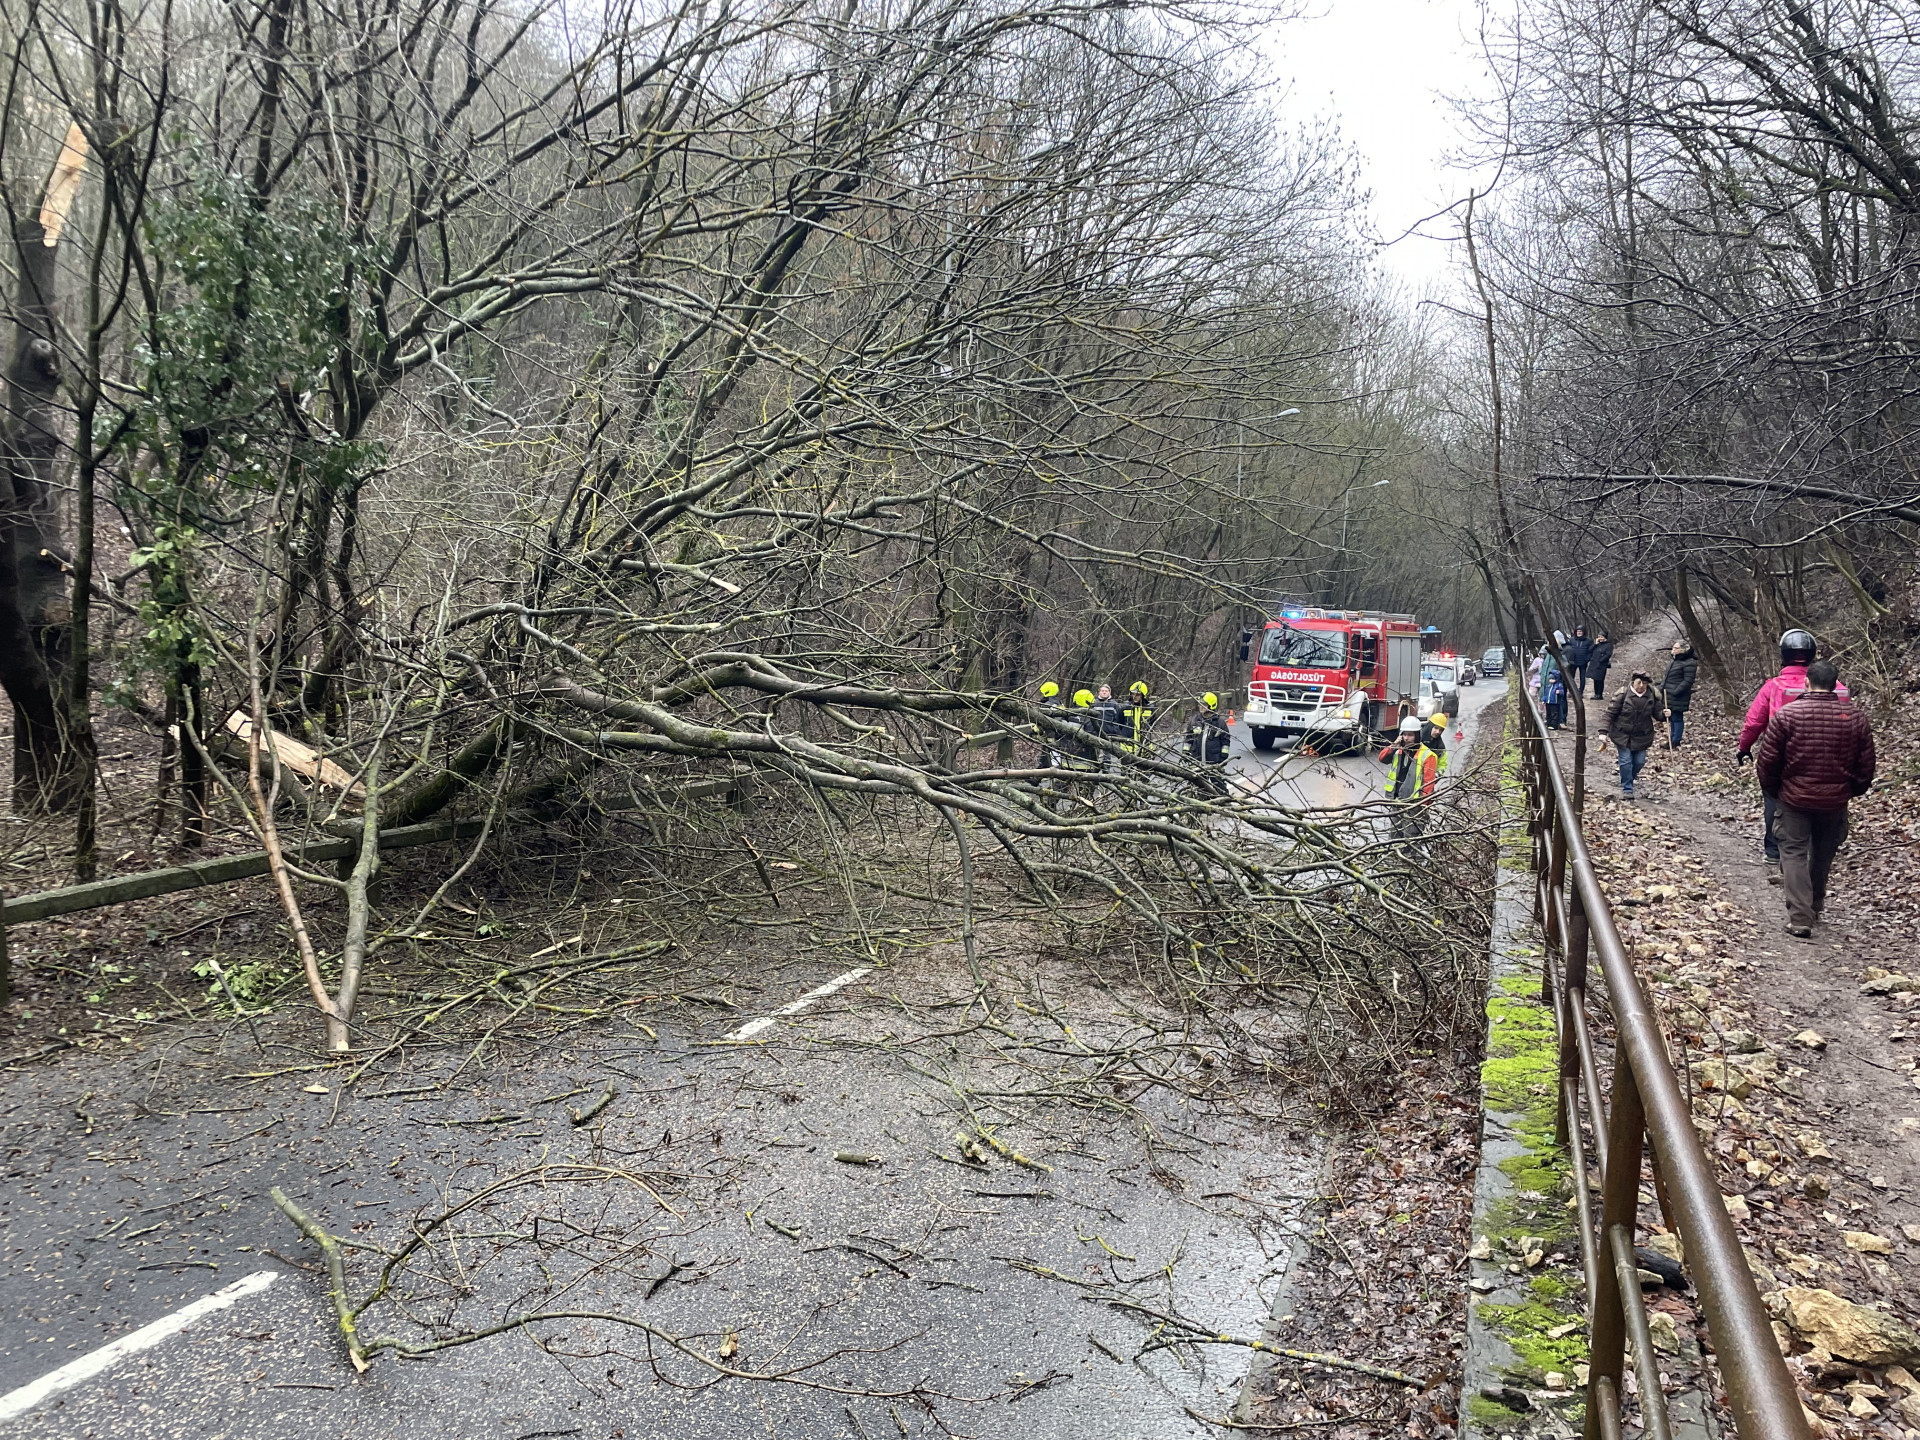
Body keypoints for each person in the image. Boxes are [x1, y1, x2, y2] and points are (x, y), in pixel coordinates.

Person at [1753, 660, 1874, 938]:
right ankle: (1815, 905)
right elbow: (1866, 765)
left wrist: (1775, 790)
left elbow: (1767, 762)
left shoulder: (1787, 715)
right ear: (1835, 685)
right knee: (1823, 853)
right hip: (1834, 801)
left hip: (1793, 798)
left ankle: (1800, 917)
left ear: (1807, 682)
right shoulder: (1855, 718)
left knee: (1793, 853)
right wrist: (1851, 790)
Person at [1736, 629, 1850, 867]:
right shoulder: (1834, 686)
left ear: (1783, 654)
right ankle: (1818, 848)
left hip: (1784, 757)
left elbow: (1754, 722)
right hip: (1829, 757)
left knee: (1773, 797)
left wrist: (1744, 747)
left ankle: (1773, 850)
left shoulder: (1773, 686)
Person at [1596, 670, 1665, 799]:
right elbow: (1609, 714)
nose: (1641, 686)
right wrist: (1603, 732)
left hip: (1642, 735)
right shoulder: (1622, 694)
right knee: (1625, 761)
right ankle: (1627, 788)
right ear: (1633, 682)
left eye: (1644, 683)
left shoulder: (1652, 696)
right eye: (1639, 682)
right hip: (1622, 734)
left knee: (1639, 761)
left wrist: (1664, 714)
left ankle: (1629, 777)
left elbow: (1658, 714)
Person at [1378, 714, 1441, 837]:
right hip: (1397, 802)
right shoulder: (1398, 750)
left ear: (1417, 735)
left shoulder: (1428, 755)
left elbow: (1428, 785)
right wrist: (1393, 746)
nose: (1406, 738)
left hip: (1414, 806)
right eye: (1404, 734)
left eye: (1410, 735)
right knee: (1394, 837)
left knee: (1411, 839)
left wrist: (1423, 806)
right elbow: (1382, 758)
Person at [1184, 692, 1231, 797]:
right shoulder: (1194, 721)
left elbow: (1225, 742)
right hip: (1197, 762)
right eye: (1200, 704)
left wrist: (1222, 758)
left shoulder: (1220, 723)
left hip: (1214, 762)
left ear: (1211, 706)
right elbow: (1188, 738)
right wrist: (1185, 753)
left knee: (1219, 788)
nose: (1201, 706)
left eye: (1204, 704)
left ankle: (1224, 802)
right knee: (1199, 789)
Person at [1661, 641, 1697, 748]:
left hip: (1679, 695)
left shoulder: (1689, 663)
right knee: (1672, 717)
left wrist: (1676, 691)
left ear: (1683, 650)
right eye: (1673, 647)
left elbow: (1688, 681)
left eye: (1676, 648)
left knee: (1677, 717)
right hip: (1669, 694)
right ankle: (1672, 739)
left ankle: (1675, 740)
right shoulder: (1674, 661)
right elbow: (1668, 678)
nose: (1673, 650)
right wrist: (1661, 687)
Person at [1122, 681, 1156, 756]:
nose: (1134, 696)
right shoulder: (1125, 707)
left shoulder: (1149, 708)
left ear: (1143, 695)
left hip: (1145, 746)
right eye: (1133, 694)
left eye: (1137, 694)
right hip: (1128, 747)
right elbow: (1119, 722)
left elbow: (1153, 723)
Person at [1540, 646, 1568, 729]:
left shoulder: (1561, 656)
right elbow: (1544, 668)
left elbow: (1565, 668)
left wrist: (1557, 677)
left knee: (1558, 705)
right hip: (1546, 683)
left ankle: (1560, 721)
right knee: (1549, 706)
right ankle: (1549, 721)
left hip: (1556, 684)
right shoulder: (1548, 656)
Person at [1563, 627, 1593, 693]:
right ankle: (1572, 691)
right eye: (1578, 631)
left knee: (1582, 678)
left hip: (1583, 662)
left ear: (1583, 632)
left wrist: (1587, 659)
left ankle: (1580, 691)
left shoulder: (1588, 641)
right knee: (1571, 677)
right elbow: (1567, 648)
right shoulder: (1571, 640)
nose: (1579, 633)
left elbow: (1591, 651)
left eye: (1580, 631)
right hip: (1573, 661)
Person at [1587, 631, 1614, 699]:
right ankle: (1596, 694)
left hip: (1601, 664)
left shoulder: (1608, 645)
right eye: (1599, 637)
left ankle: (1599, 694)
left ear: (1605, 638)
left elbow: (1608, 654)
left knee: (1600, 680)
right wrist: (1595, 644)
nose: (1600, 638)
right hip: (1594, 664)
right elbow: (1589, 650)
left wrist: (1601, 660)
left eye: (1601, 637)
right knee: (1595, 679)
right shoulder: (1597, 644)